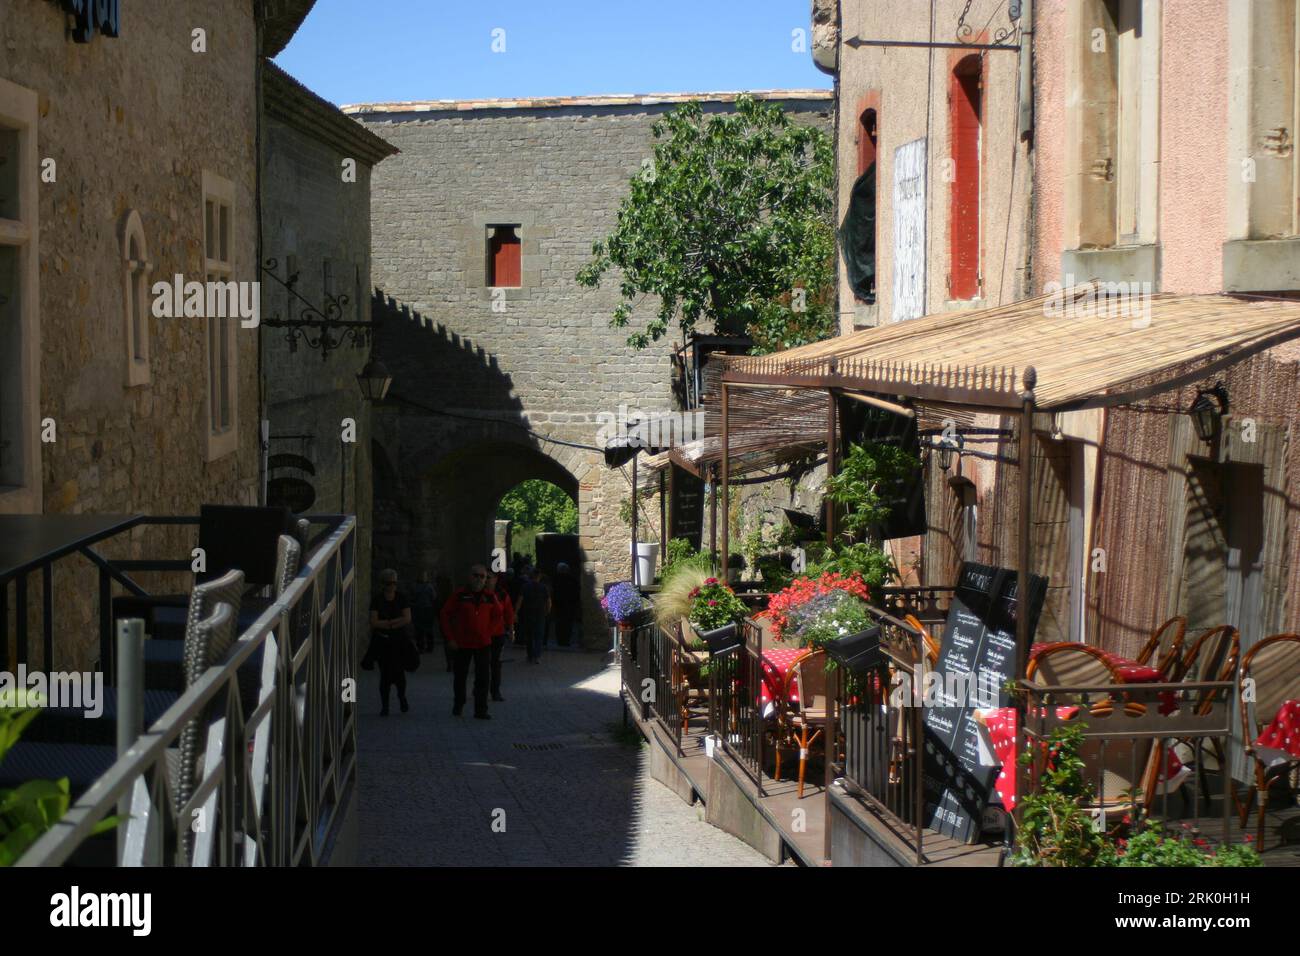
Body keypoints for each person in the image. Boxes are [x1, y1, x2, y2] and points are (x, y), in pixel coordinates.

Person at [440, 563, 496, 719]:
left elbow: (498, 615)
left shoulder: (490, 597)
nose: (478, 579)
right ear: (469, 577)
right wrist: (450, 638)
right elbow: (445, 614)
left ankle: (481, 710)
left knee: (483, 678)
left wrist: (488, 632)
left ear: (486, 579)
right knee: (460, 677)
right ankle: (458, 704)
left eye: (482, 576)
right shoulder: (459, 595)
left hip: (483, 644)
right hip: (462, 644)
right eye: (475, 575)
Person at [366, 568, 411, 716]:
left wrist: (388, 623)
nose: (392, 586)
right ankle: (385, 706)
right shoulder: (377, 599)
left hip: (399, 642)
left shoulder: (401, 598)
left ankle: (401, 697)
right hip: (383, 642)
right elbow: (374, 622)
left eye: (394, 583)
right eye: (389, 583)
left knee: (399, 674)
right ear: (383, 584)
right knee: (385, 675)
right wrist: (395, 622)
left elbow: (407, 618)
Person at [486, 568, 515, 702]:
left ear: (496, 579)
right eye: (485, 577)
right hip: (481, 635)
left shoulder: (502, 595)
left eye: (489, 577)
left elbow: (509, 614)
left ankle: (495, 691)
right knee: (483, 664)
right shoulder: (477, 594)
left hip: (497, 634)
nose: (486, 580)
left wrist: (510, 630)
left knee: (496, 664)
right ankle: (479, 688)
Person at [517, 566, 551, 664]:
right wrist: (547, 611)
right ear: (539, 576)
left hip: (528, 614)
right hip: (540, 614)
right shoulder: (544, 587)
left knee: (529, 636)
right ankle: (537, 656)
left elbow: (520, 600)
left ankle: (530, 655)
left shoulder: (525, 586)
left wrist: (516, 612)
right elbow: (549, 601)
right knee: (539, 636)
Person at [552, 562, 580, 648]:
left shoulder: (555, 580)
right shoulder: (572, 580)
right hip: (569, 605)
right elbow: (576, 592)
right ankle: (566, 641)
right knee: (568, 623)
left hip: (559, 604)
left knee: (559, 623)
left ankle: (560, 641)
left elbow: (553, 592)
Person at [411, 570, 437, 652]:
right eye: (422, 576)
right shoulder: (415, 586)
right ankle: (421, 647)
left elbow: (433, 597)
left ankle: (429, 647)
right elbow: (412, 598)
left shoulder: (429, 587)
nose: (423, 577)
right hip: (419, 610)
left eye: (424, 576)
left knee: (428, 629)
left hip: (427, 610)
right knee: (419, 630)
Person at [435, 573, 454, 672]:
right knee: (451, 641)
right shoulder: (453, 596)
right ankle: (452, 662)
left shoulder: (440, 597)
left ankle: (450, 663)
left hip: (444, 621)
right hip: (452, 621)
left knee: (447, 642)